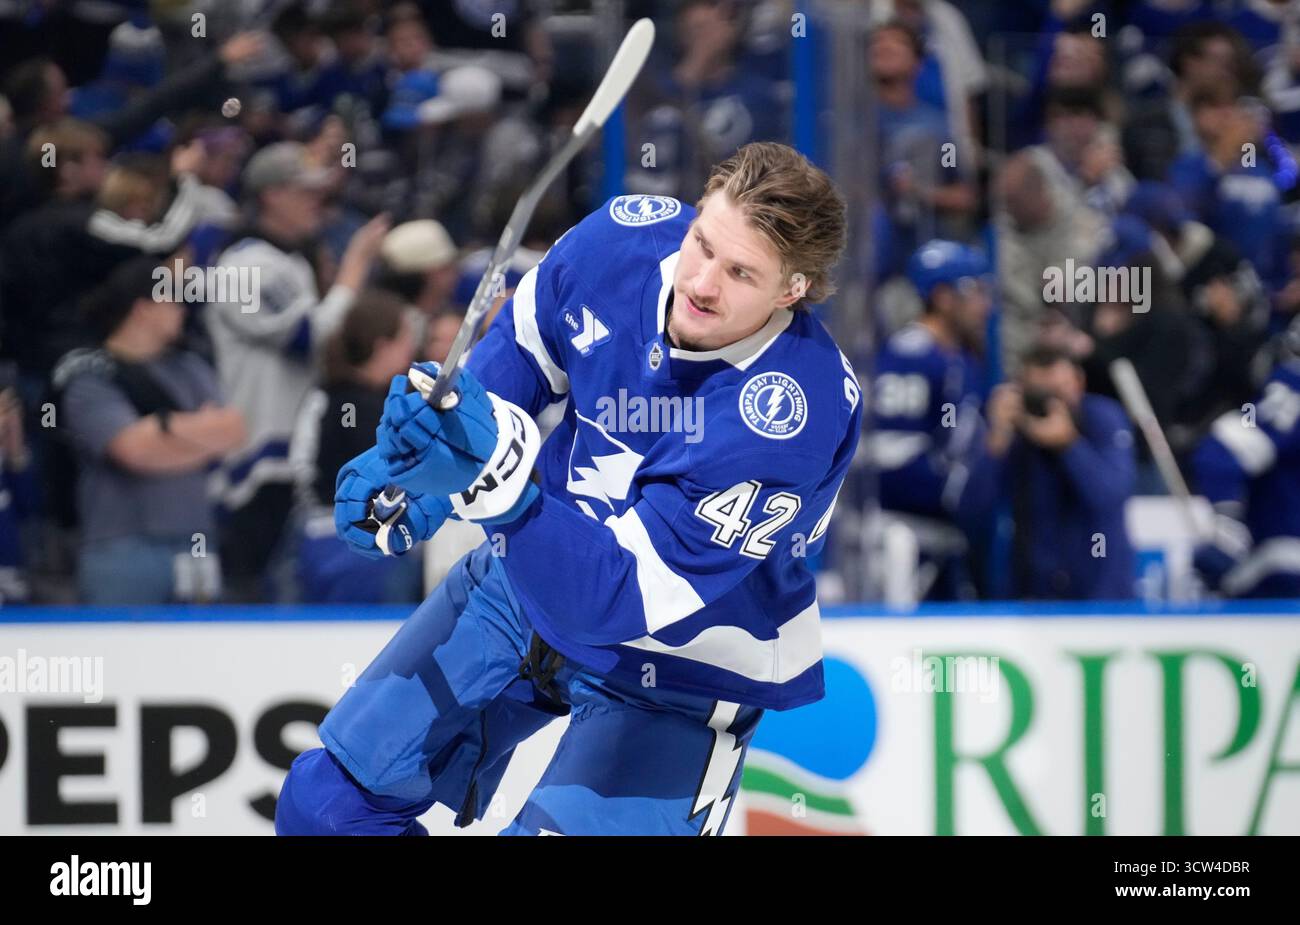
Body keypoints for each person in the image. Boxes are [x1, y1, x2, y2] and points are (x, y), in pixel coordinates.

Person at [275, 142, 861, 836]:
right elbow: (523, 354)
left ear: (792, 290)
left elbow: (615, 598)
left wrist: (490, 480)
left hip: (681, 665)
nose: (702, 282)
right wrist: (423, 464)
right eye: (703, 242)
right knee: (326, 809)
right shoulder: (622, 242)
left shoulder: (793, 412)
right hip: (521, 585)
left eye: (741, 273)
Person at [206, 141, 389, 602]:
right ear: (270, 195)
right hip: (256, 452)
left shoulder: (288, 260)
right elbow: (310, 338)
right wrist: (353, 270)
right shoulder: (243, 265)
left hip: (292, 453)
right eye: (306, 193)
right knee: (249, 590)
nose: (318, 205)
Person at [54, 257, 245, 604]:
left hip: (196, 542)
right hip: (122, 548)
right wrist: (200, 434)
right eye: (172, 301)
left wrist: (163, 427)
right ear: (143, 308)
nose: (183, 311)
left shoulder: (190, 367)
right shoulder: (91, 374)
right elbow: (132, 451)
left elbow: (233, 430)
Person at [869, 240, 999, 600]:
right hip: (908, 544)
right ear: (943, 296)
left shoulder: (960, 359)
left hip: (946, 543)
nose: (984, 305)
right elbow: (889, 458)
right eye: (975, 290)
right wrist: (958, 492)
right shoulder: (911, 355)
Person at [985, 345, 1137, 600]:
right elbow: (974, 508)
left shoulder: (1103, 418)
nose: (1051, 404)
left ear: (1079, 383)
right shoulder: (1014, 429)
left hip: (1101, 595)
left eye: (1059, 391)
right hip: (1032, 597)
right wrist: (997, 439)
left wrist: (1069, 445)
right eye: (1039, 393)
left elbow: (1110, 495)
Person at [1191, 317, 1300, 597]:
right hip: (1281, 570)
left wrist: (1227, 524)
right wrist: (1228, 521)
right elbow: (1224, 449)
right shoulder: (1292, 390)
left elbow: (1220, 450)